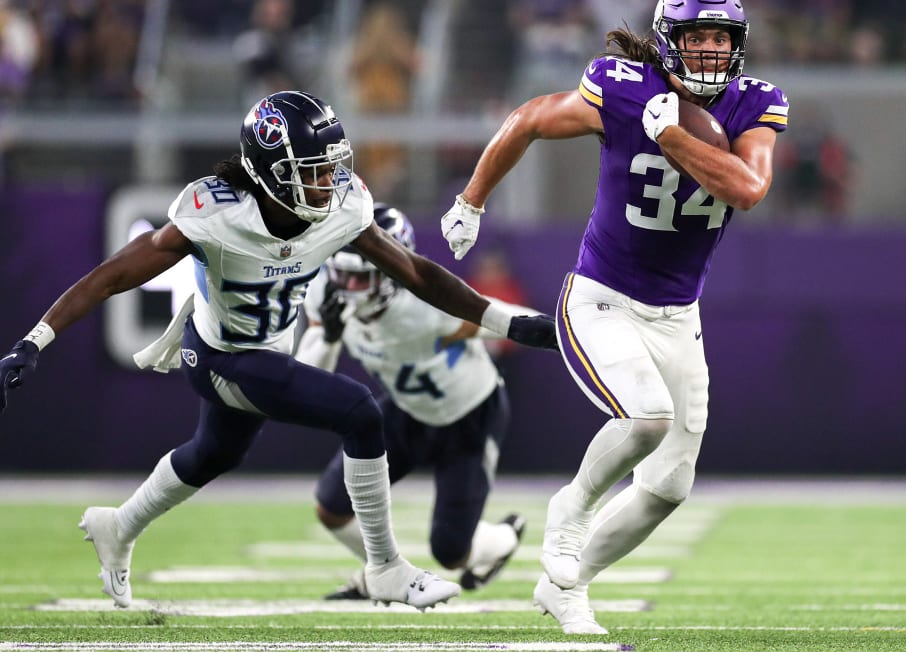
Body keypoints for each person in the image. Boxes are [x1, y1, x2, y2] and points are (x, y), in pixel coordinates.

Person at [0, 90, 556, 611]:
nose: (330, 184)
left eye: (334, 167)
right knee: (360, 413)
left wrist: (508, 322)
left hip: (265, 348)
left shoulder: (340, 211)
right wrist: (35, 340)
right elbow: (111, 276)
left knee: (212, 454)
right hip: (221, 356)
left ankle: (117, 527)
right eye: (315, 172)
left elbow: (418, 274)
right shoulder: (215, 214)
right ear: (271, 175)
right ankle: (384, 566)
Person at [440, 0, 787, 634]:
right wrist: (471, 198)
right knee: (647, 418)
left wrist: (677, 138)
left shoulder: (756, 105)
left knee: (666, 487)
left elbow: (747, 188)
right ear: (669, 41)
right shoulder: (624, 89)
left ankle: (565, 587)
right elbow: (531, 118)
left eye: (721, 37)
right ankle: (568, 511)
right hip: (602, 298)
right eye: (697, 37)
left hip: (677, 315)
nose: (711, 50)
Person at [296, 203, 528, 597]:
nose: (349, 289)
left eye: (362, 278)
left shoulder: (428, 306)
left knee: (452, 553)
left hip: (470, 415)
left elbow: (509, 321)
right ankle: (386, 573)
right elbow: (305, 382)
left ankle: (503, 536)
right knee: (331, 508)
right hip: (406, 409)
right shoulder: (326, 292)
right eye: (344, 276)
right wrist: (330, 337)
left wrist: (570, 334)